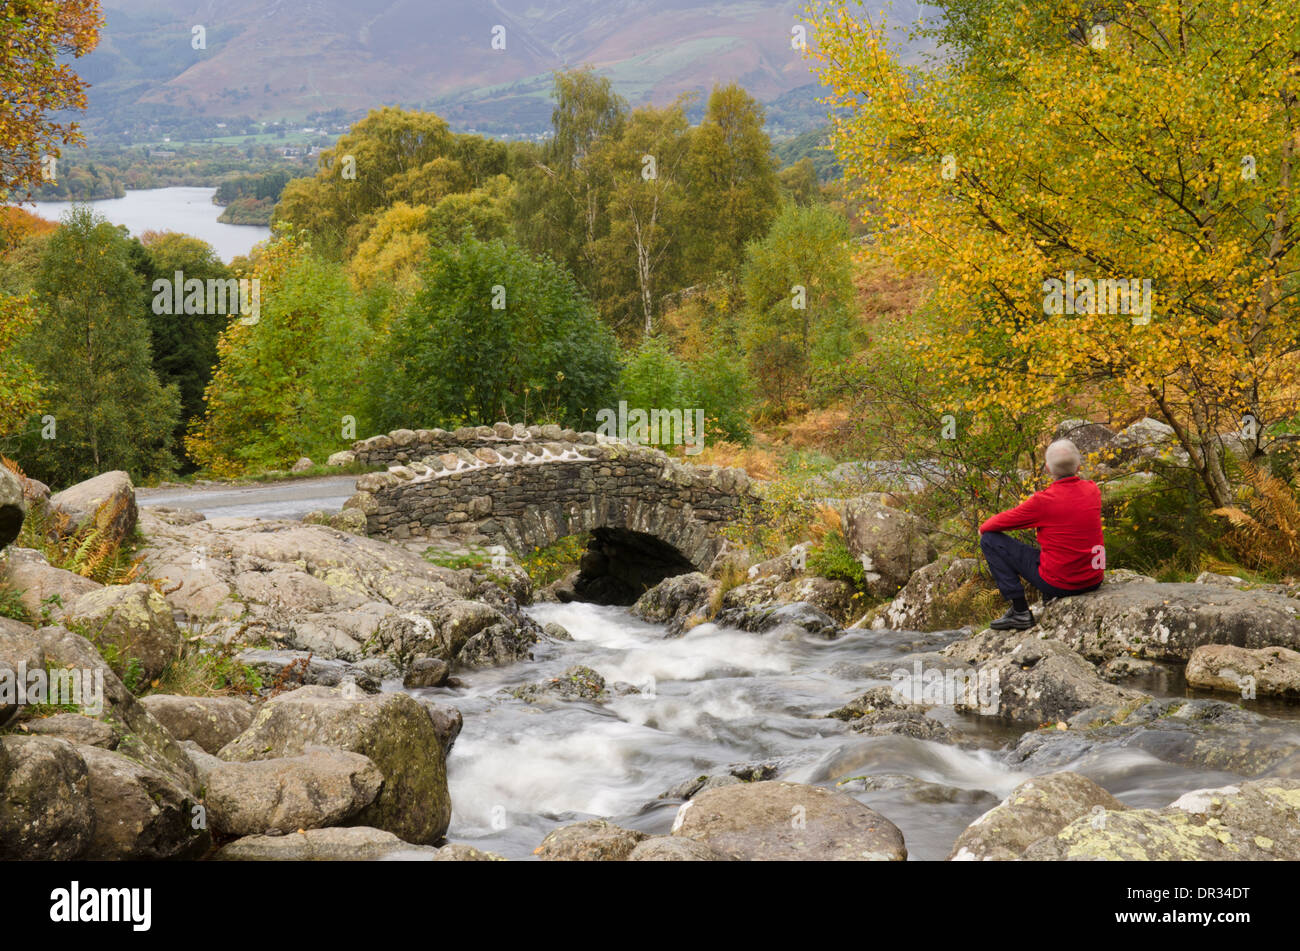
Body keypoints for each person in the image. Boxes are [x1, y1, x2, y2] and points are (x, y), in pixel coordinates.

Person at [978, 438, 1103, 630]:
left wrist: (982, 528)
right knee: (1059, 543)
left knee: (989, 539)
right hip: (1094, 579)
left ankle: (1020, 611)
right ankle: (1034, 603)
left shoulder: (1043, 501)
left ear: (1048, 469)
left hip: (1062, 585)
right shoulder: (1093, 489)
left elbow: (991, 525)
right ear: (1079, 467)